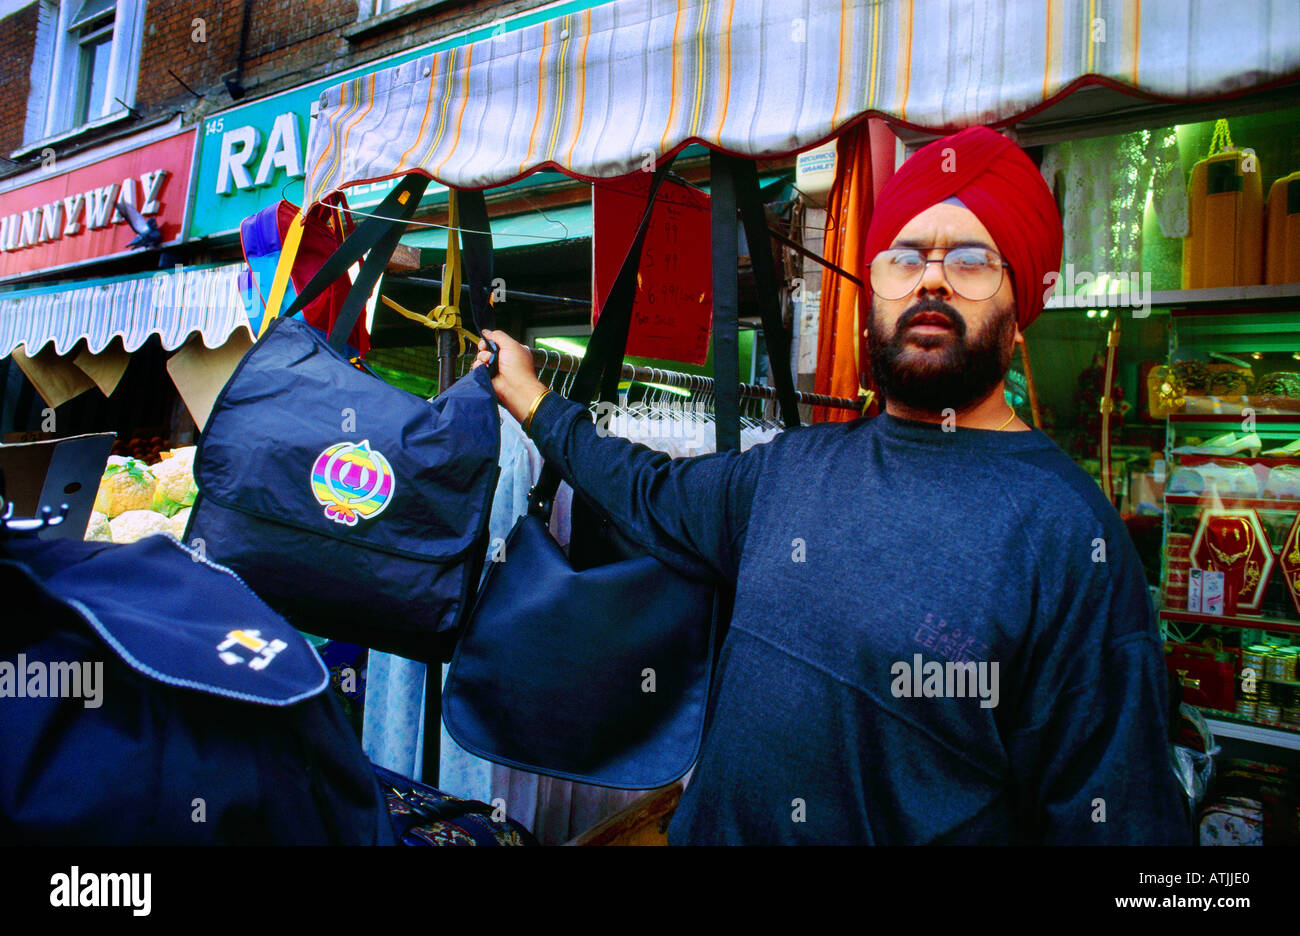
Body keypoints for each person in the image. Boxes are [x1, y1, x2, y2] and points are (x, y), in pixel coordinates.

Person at [473, 126, 1192, 845]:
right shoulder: (789, 468)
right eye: (905, 258)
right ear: (873, 290)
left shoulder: (1069, 537)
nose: (931, 279)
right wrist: (536, 403)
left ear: (1019, 312)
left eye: (972, 261)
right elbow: (647, 489)